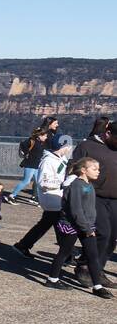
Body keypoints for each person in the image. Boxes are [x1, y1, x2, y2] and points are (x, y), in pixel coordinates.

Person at [47, 156, 113, 298]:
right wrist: (87, 228)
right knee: (64, 253)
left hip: (86, 226)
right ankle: (52, 279)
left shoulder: (89, 185)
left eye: (98, 169)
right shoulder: (77, 185)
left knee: (93, 256)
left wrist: (89, 226)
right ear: (83, 170)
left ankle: (97, 286)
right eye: (94, 169)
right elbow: (76, 210)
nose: (98, 172)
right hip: (73, 225)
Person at [72, 119, 117, 288]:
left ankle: (98, 270)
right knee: (102, 233)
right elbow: (73, 168)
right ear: (108, 134)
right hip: (93, 196)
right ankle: (84, 266)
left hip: (115, 199)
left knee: (112, 237)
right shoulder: (87, 147)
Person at [13, 135, 73, 258]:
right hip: (51, 197)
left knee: (47, 223)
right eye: (68, 145)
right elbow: (43, 182)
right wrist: (63, 184)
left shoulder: (60, 158)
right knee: (59, 224)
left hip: (55, 197)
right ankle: (67, 255)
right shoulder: (48, 161)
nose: (70, 148)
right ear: (63, 146)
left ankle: (23, 245)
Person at [7, 129, 48, 203]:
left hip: (36, 165)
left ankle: (36, 198)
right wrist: (27, 153)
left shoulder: (41, 143)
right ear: (39, 136)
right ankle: (12, 196)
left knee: (38, 182)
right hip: (30, 164)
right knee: (26, 181)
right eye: (44, 136)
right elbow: (22, 144)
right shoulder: (32, 141)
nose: (46, 137)